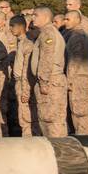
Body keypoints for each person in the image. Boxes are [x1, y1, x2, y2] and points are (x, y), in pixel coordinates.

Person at [28, 7, 67, 138]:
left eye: (36, 15)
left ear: (45, 17)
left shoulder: (48, 33)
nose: (33, 18)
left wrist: (44, 81)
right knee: (48, 121)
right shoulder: (46, 32)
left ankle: (58, 152)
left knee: (51, 121)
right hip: (50, 80)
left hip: (50, 81)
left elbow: (47, 58)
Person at [62, 10, 88, 135]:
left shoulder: (77, 36)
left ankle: (85, 143)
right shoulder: (83, 35)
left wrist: (69, 81)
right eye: (65, 19)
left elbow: (74, 61)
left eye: (68, 19)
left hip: (77, 79)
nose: (65, 22)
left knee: (79, 115)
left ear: (78, 20)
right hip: (83, 77)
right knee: (79, 114)